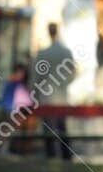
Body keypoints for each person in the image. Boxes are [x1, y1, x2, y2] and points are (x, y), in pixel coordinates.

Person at [28, 21, 76, 161]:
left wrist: (34, 93)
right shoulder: (66, 52)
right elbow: (73, 73)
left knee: (48, 129)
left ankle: (51, 156)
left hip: (46, 97)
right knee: (62, 127)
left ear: (48, 32)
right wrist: (64, 83)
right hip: (61, 97)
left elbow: (35, 77)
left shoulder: (43, 53)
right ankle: (66, 156)